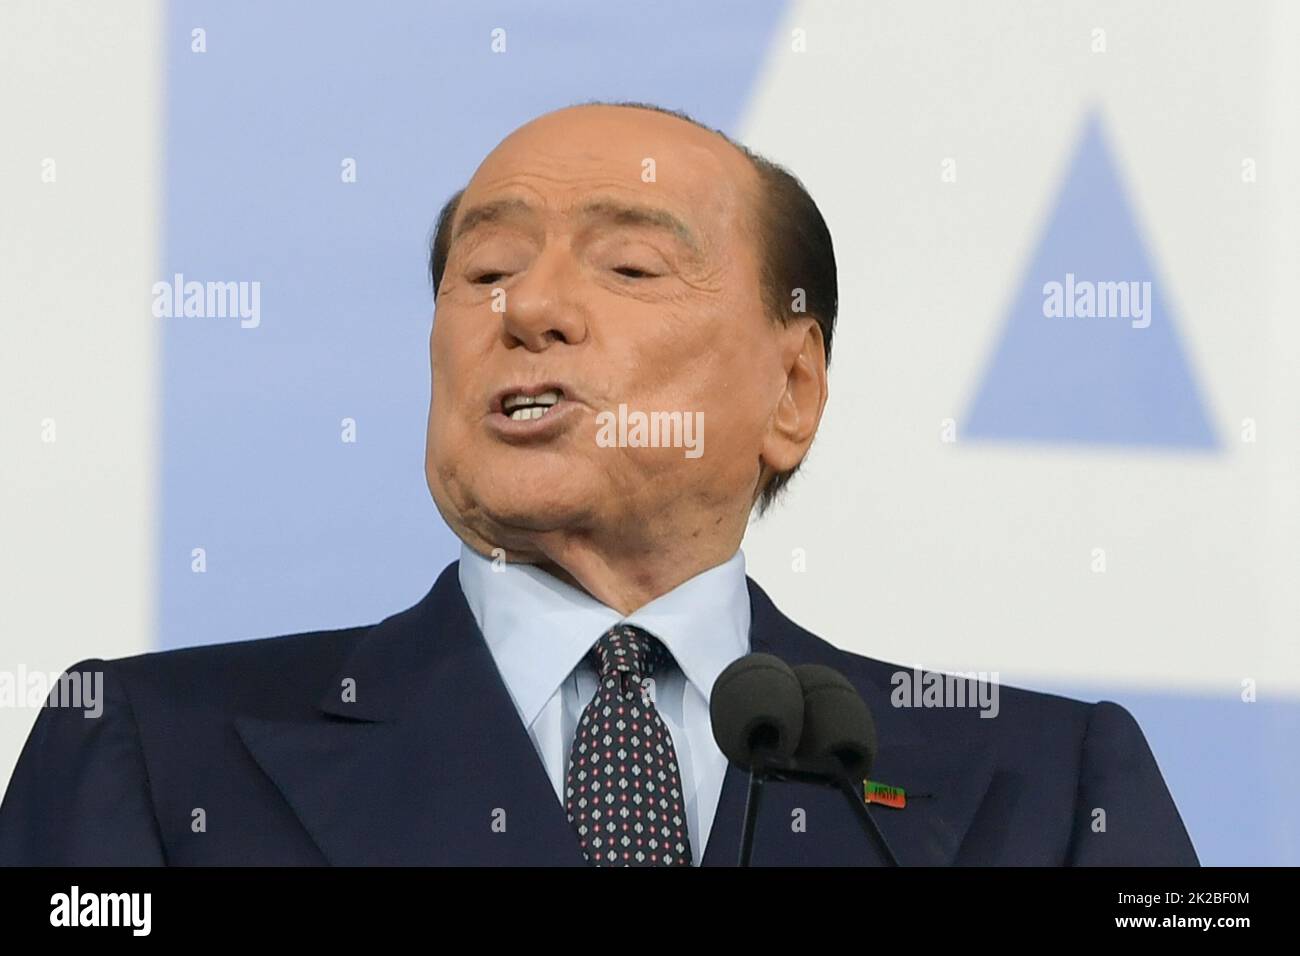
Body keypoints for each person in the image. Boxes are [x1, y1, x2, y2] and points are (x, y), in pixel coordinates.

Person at [0, 102, 1197, 866]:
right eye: (484, 271)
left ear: (792, 389)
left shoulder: (1039, 787)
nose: (529, 309)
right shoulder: (151, 750)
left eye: (628, 264)